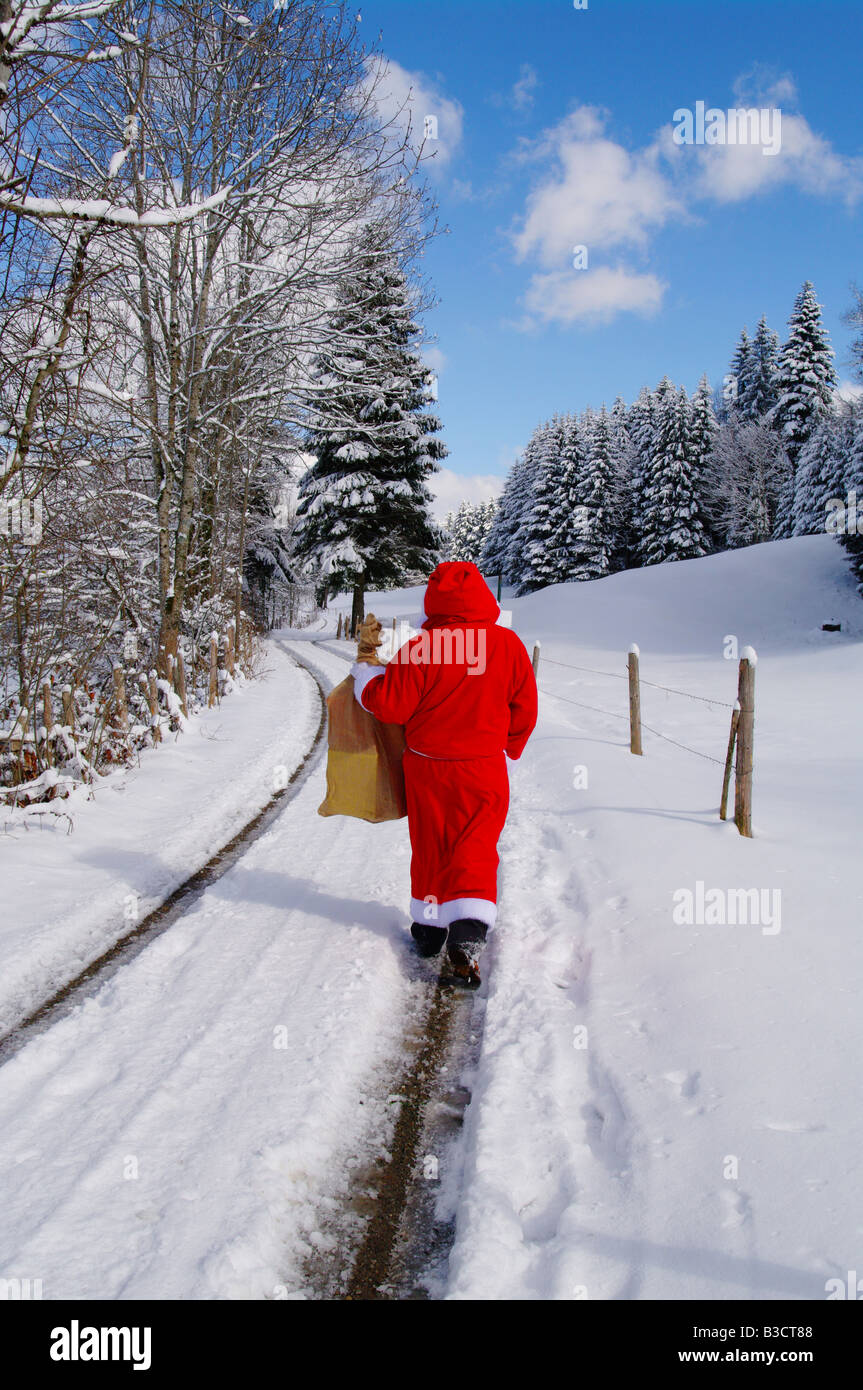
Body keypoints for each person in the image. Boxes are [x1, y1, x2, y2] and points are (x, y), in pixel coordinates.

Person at [351, 561, 538, 986]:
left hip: (427, 767)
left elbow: (392, 705)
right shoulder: (507, 645)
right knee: (473, 841)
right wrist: (512, 743)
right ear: (483, 599)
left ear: (433, 600)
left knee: (431, 842)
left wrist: (365, 677)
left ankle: (430, 931)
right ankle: (468, 931)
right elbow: (524, 704)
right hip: (483, 767)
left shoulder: (421, 648)